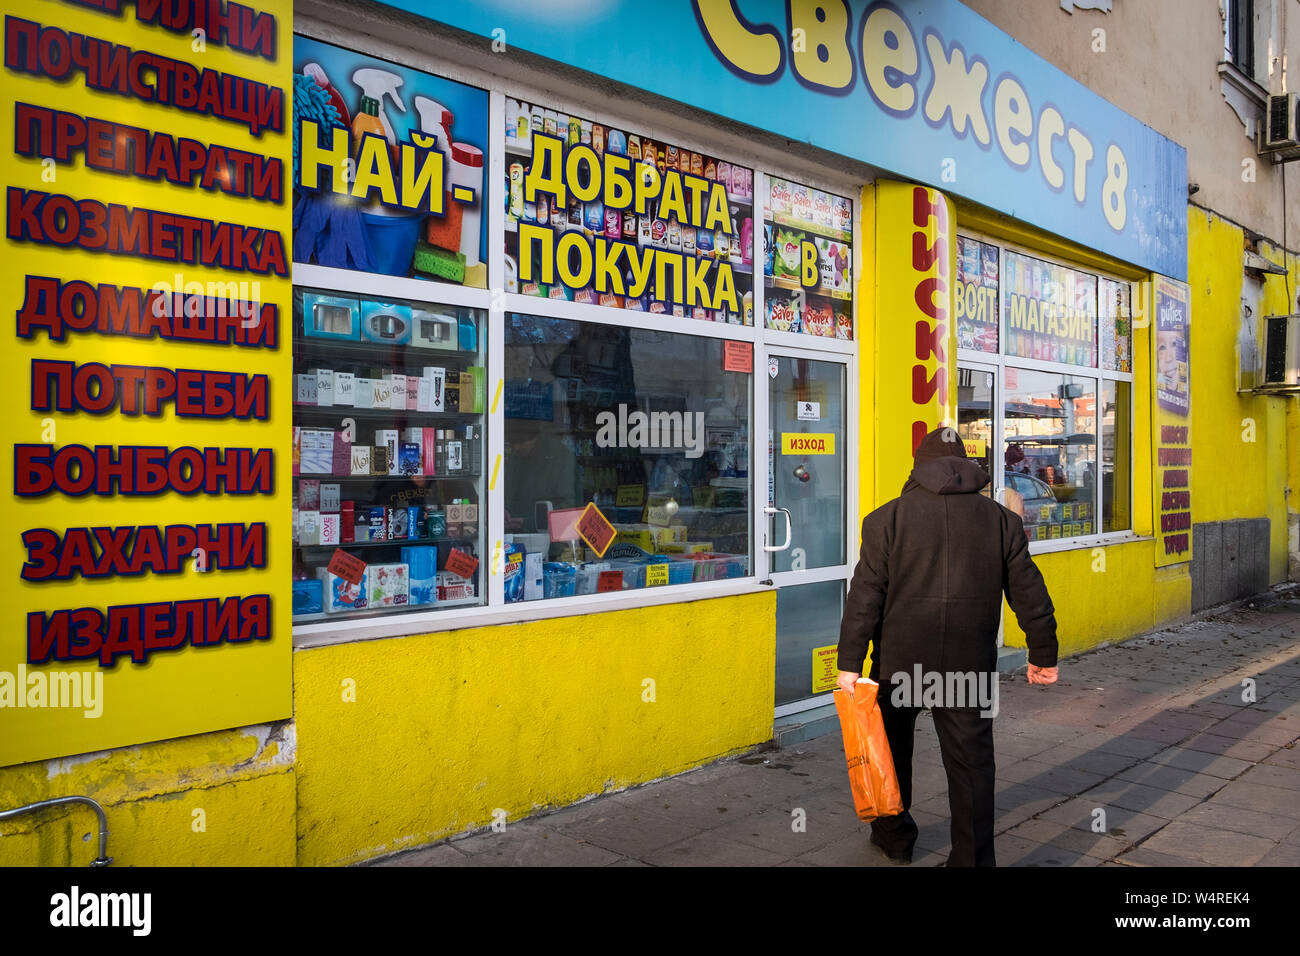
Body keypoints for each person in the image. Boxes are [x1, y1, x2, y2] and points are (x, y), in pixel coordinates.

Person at [836, 427, 1059, 867]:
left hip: (899, 664)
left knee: (891, 752)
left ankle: (895, 839)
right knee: (972, 766)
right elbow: (1030, 593)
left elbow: (865, 597)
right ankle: (972, 859)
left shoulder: (886, 520)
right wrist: (1043, 654)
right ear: (968, 466)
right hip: (967, 668)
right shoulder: (1001, 521)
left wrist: (848, 663)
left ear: (919, 466)